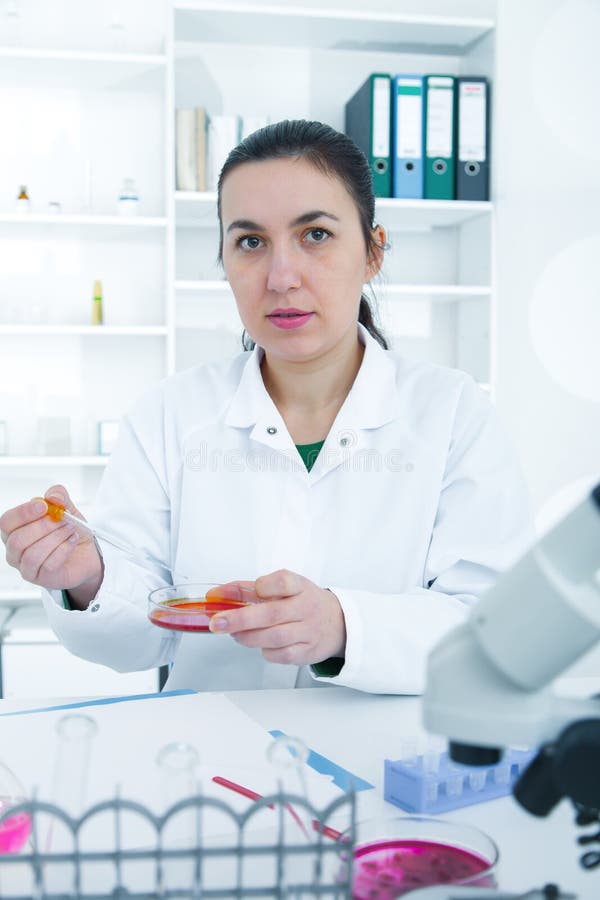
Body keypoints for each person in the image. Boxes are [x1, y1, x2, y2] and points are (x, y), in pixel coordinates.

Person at [0, 120, 531, 694]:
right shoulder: (169, 413)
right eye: (251, 242)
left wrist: (344, 626)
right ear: (225, 259)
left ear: (374, 250)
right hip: (211, 762)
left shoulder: (453, 414)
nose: (282, 277)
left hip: (388, 766)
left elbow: (493, 632)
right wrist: (89, 579)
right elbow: (142, 634)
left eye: (316, 235)